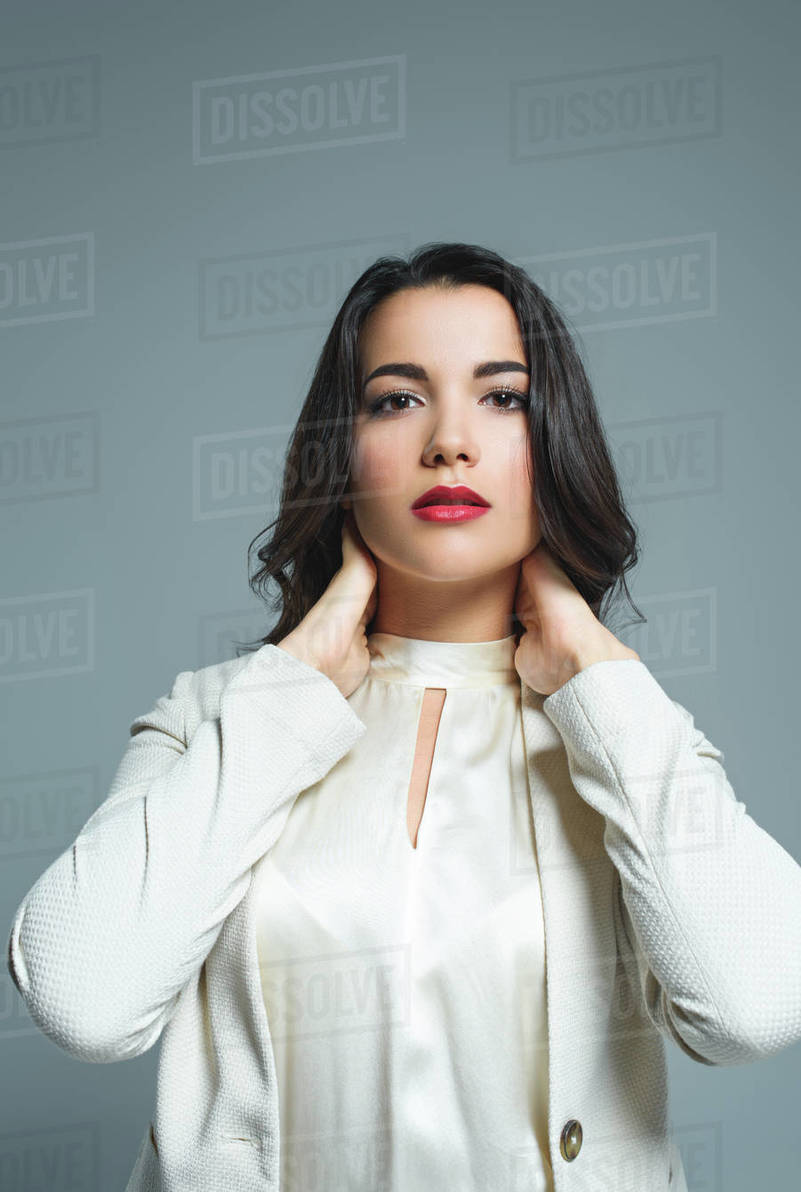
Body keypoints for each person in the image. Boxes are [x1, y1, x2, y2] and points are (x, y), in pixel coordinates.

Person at [7, 242, 801, 1192]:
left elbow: (755, 1007)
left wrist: (596, 671)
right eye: (397, 398)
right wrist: (298, 674)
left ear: (557, 441)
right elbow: (84, 1000)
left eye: (502, 396)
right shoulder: (215, 721)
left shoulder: (624, 734)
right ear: (340, 448)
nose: (449, 442)